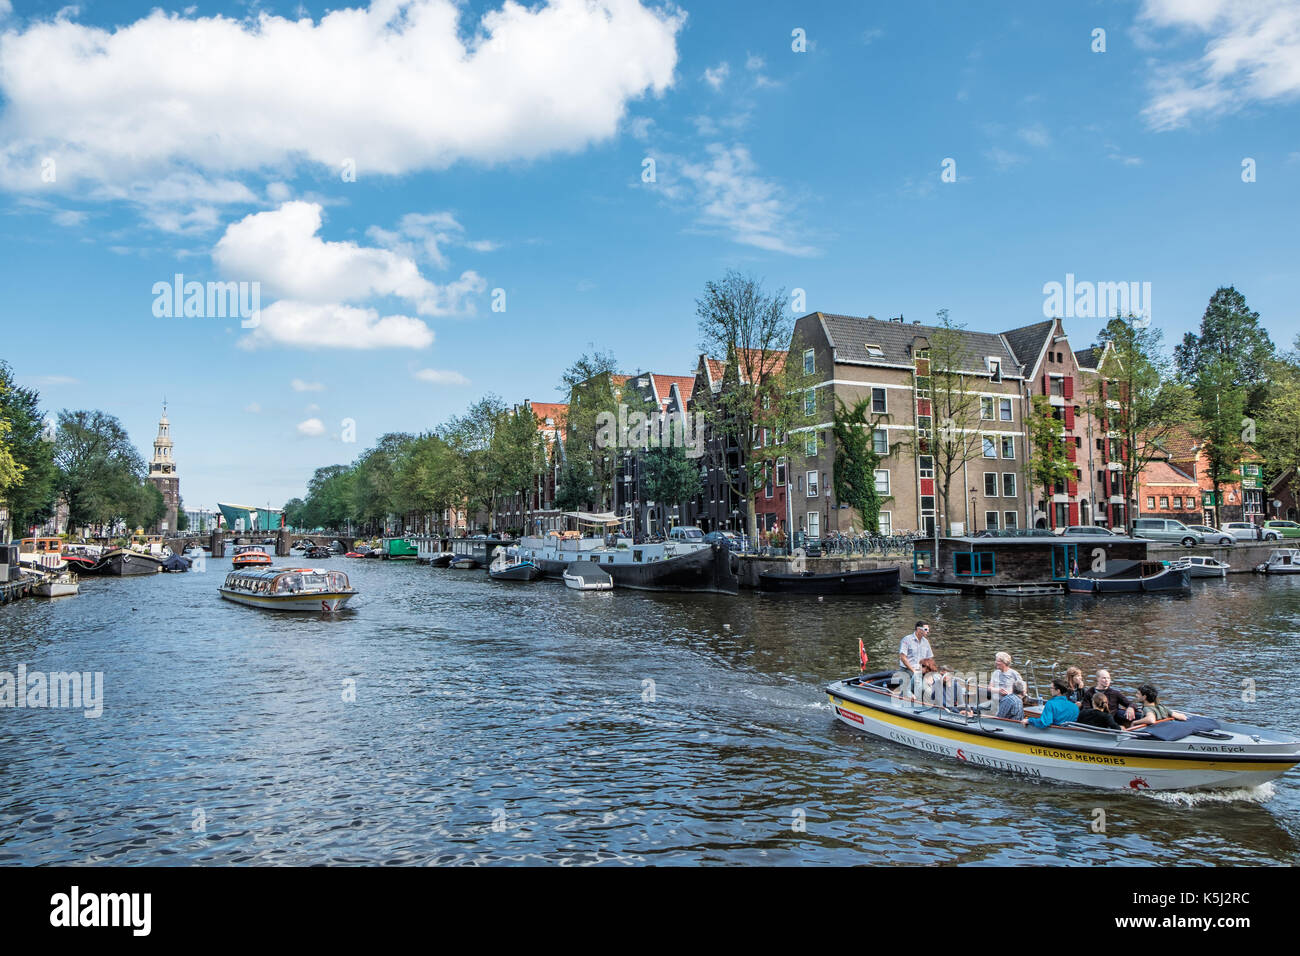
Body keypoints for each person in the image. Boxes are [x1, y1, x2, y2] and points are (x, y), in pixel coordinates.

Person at [896, 622, 933, 699]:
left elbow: (929, 659)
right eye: (926, 629)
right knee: (906, 693)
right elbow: (903, 657)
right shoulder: (906, 640)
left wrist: (929, 673)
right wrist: (913, 670)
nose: (928, 631)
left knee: (925, 690)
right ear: (919, 629)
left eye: (928, 629)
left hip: (920, 671)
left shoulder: (926, 642)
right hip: (906, 671)